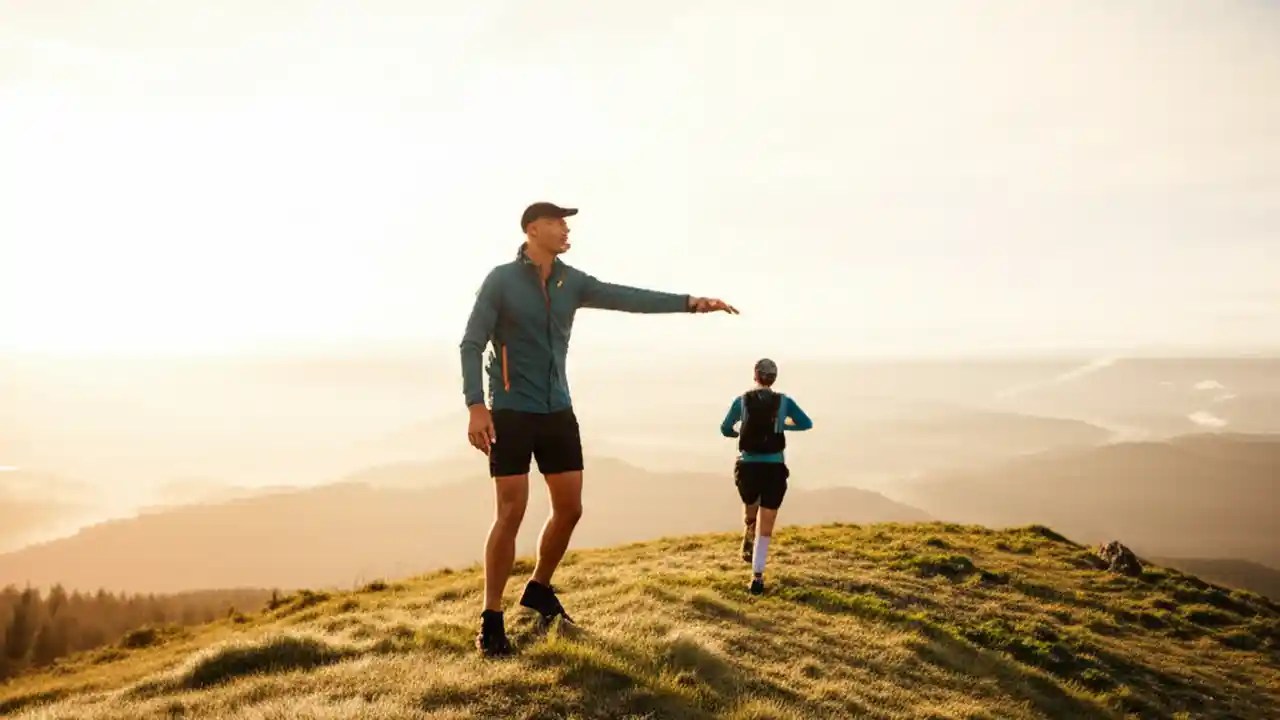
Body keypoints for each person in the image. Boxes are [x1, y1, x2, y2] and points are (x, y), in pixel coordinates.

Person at [460, 201, 738, 656]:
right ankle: (491, 620)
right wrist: (476, 405)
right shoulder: (501, 280)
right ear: (532, 230)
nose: (565, 228)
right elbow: (471, 343)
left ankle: (539, 590)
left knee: (570, 509)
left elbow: (627, 297)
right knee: (511, 512)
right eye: (556, 222)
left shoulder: (572, 282)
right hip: (510, 411)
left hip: (558, 410)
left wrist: (689, 304)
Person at [720, 358, 812, 595]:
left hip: (748, 465)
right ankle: (757, 576)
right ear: (774, 378)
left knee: (751, 509)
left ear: (755, 376)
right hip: (774, 467)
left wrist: (736, 433)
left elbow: (725, 428)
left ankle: (747, 529)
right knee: (767, 524)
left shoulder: (742, 401)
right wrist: (782, 425)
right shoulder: (785, 402)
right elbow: (806, 423)